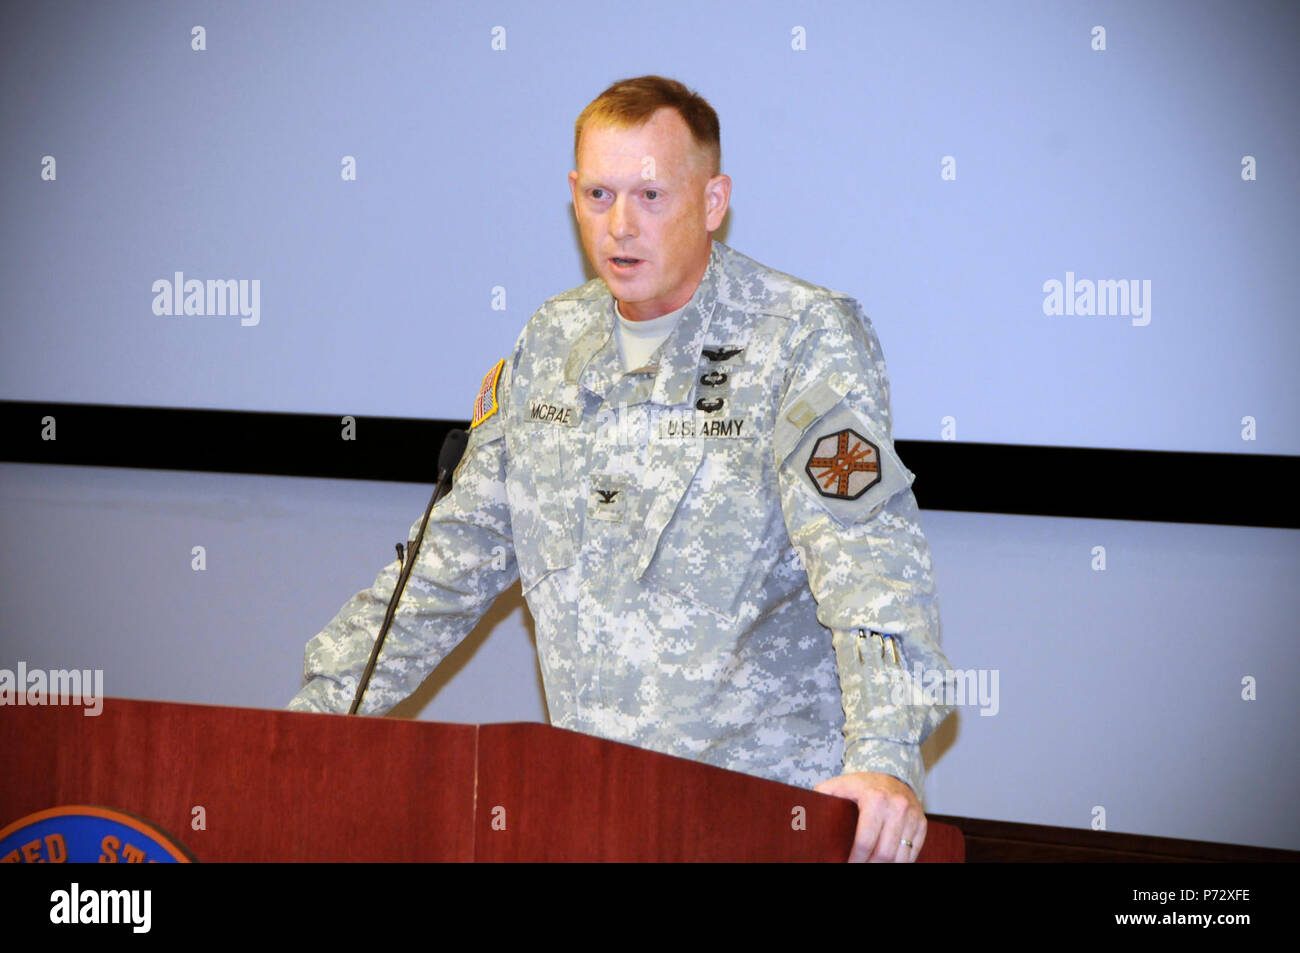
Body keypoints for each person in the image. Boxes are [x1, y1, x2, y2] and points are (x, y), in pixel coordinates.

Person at [288, 75, 954, 863]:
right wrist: (312, 725)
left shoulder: (800, 338)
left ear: (712, 201)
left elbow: (870, 563)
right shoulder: (551, 343)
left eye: (651, 195)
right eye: (599, 194)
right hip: (589, 816)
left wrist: (883, 758)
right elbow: (447, 563)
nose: (620, 225)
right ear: (572, 193)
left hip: (759, 819)